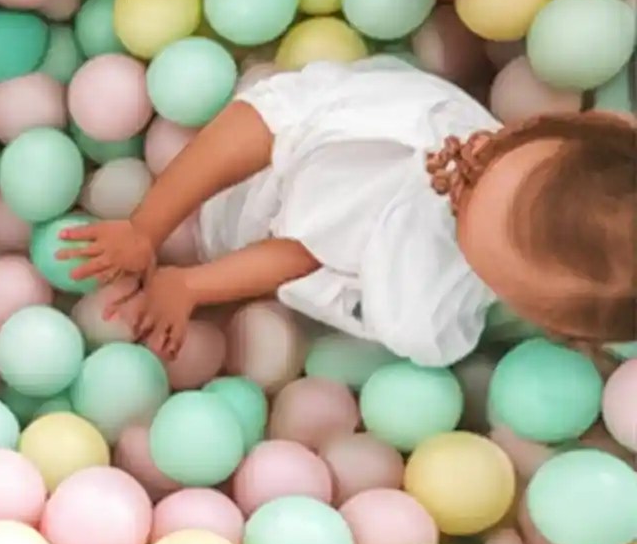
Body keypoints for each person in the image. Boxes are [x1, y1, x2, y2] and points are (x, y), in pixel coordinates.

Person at [58, 57, 637, 366]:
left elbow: (308, 254)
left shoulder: (423, 302)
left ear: (547, 322)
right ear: (529, 128)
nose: (452, 175)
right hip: (254, 161)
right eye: (482, 162)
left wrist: (191, 286)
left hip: (263, 235)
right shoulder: (407, 124)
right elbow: (267, 119)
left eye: (463, 222)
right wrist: (146, 225)